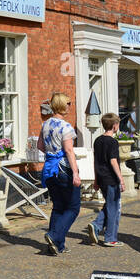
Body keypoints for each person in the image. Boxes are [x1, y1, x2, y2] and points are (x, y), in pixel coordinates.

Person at [40, 92, 81, 255]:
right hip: (63, 168)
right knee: (73, 207)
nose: (70, 106)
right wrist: (76, 173)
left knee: (58, 206)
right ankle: (54, 235)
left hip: (49, 168)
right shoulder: (66, 127)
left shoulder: (46, 124)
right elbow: (69, 150)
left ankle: (57, 245)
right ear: (62, 106)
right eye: (69, 103)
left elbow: (40, 146)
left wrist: (52, 152)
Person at [88, 112, 126, 247]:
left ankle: (96, 225)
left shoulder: (97, 141)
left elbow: (96, 162)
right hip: (111, 178)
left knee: (110, 205)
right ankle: (110, 237)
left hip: (101, 178)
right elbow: (113, 161)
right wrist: (121, 178)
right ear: (115, 126)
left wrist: (96, 180)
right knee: (114, 208)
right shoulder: (113, 142)